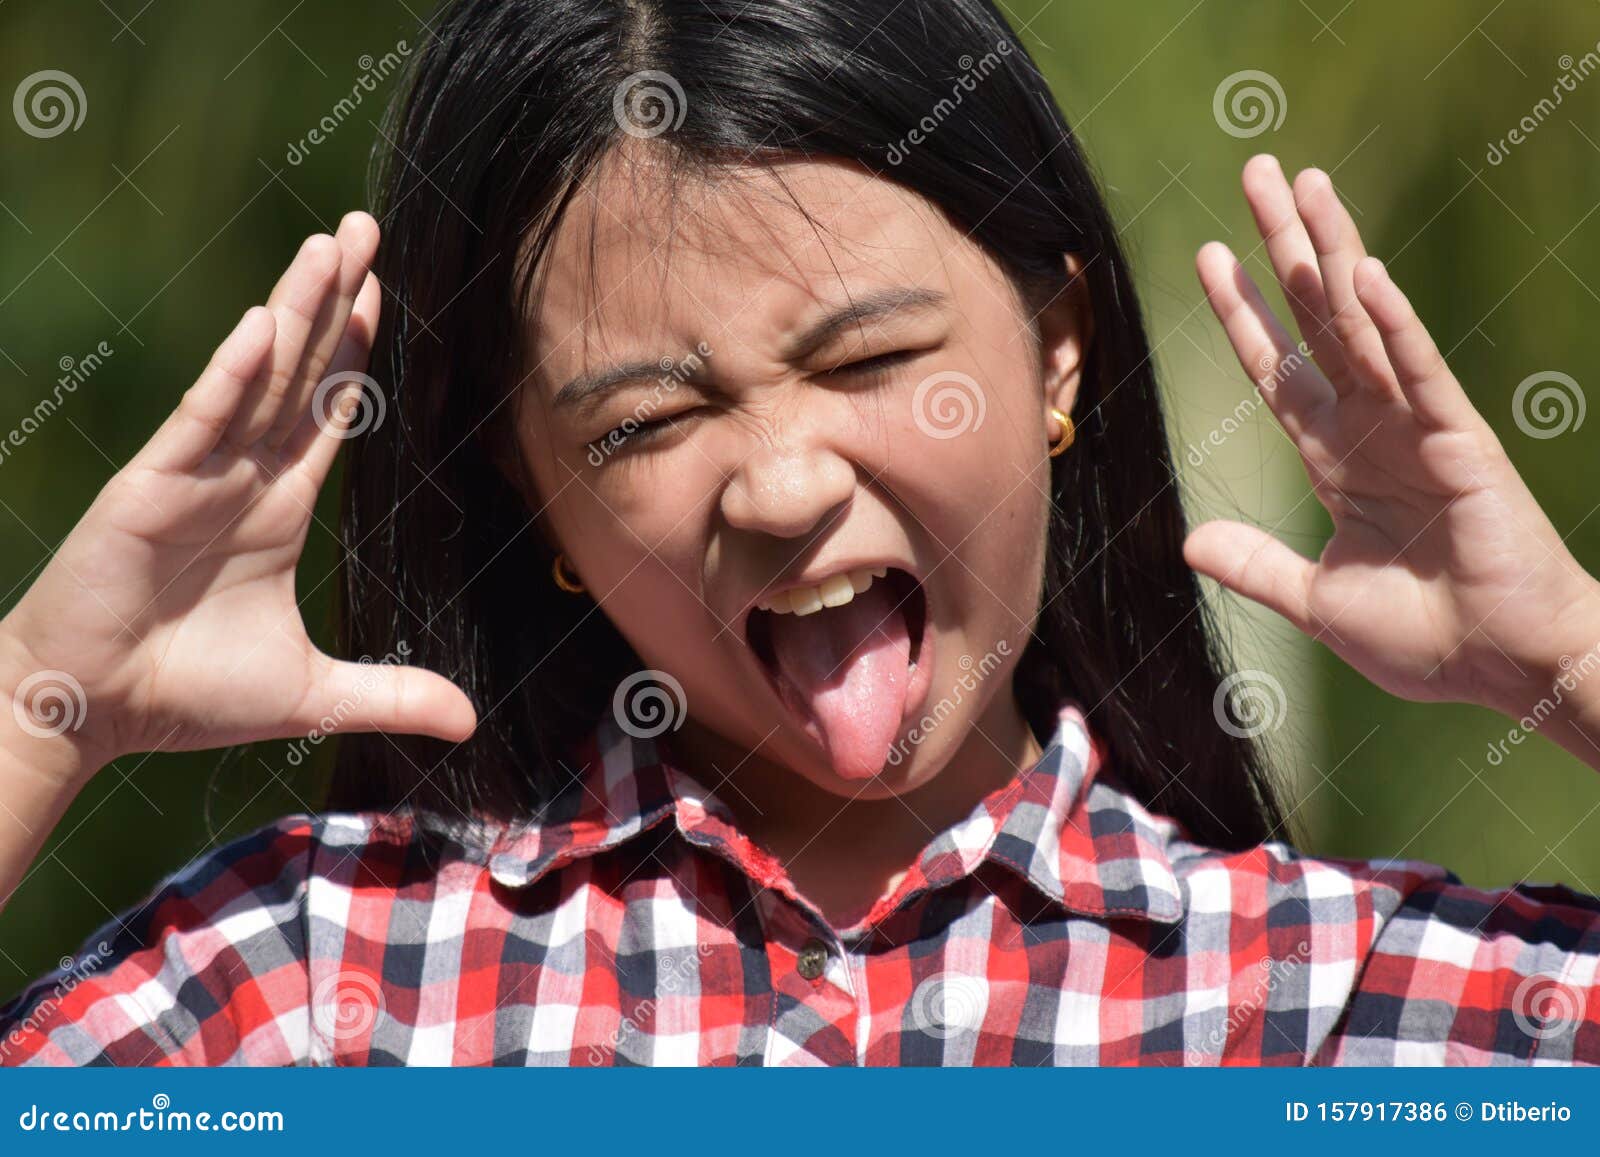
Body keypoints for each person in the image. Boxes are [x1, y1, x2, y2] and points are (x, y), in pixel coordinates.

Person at [1, 0, 1597, 1066]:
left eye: (867, 359)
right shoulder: (317, 990)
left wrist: (1570, 657)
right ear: (534, 492)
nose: (774, 485)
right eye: (639, 423)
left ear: (1057, 345)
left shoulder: (1326, 1009)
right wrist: (33, 715)